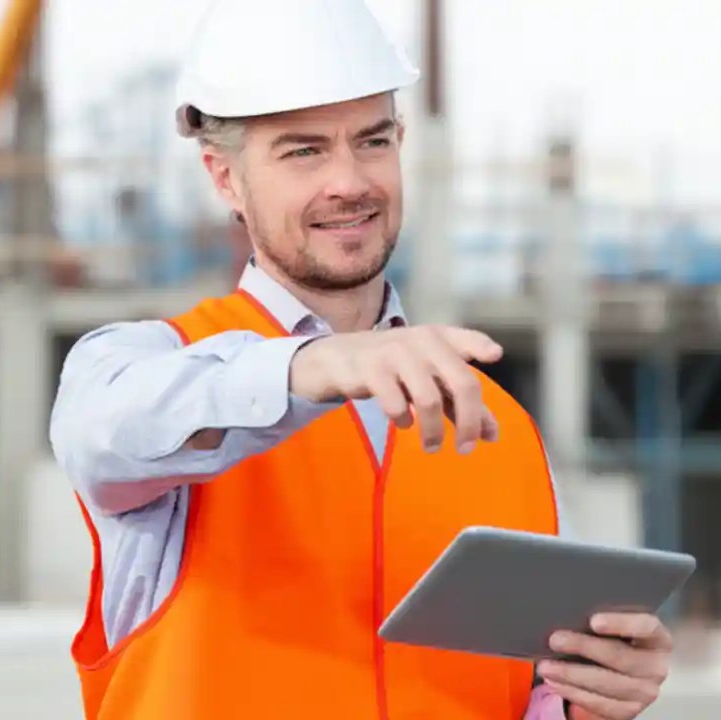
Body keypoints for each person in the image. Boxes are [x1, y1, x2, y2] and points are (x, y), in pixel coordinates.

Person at [49, 0, 673, 717]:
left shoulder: (498, 427)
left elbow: (495, 695)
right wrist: (313, 364)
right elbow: (102, 431)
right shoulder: (152, 371)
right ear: (224, 178)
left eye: (373, 141)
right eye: (303, 150)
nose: (349, 181)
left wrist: (581, 705)